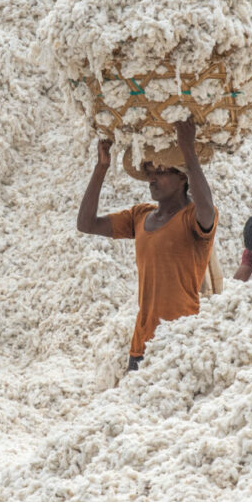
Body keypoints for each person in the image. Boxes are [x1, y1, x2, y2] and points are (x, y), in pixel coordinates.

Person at [76, 118, 217, 374]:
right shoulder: (140, 216)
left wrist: (188, 150)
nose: (152, 179)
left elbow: (206, 207)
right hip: (142, 342)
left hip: (180, 338)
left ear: (182, 177)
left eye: (160, 172)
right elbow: (86, 224)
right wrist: (101, 167)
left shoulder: (193, 217)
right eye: (149, 173)